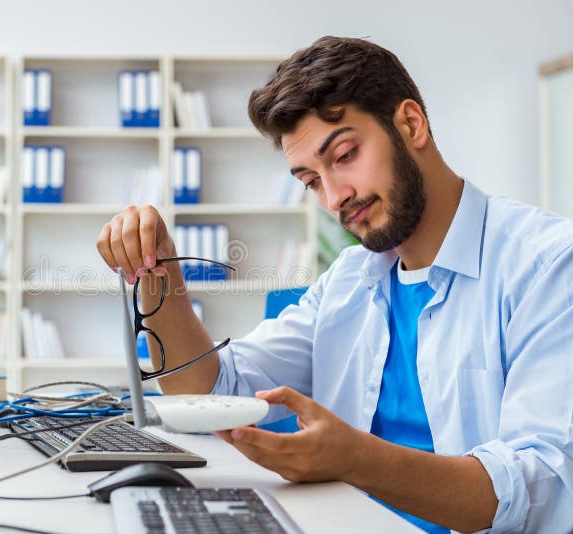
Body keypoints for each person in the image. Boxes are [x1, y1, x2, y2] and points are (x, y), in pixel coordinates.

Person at [96, 36, 573, 533]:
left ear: (411, 124)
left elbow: (538, 488)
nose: (334, 197)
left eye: (345, 155)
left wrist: (355, 460)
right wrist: (158, 271)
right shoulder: (351, 279)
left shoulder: (548, 265)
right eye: (310, 181)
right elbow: (212, 388)